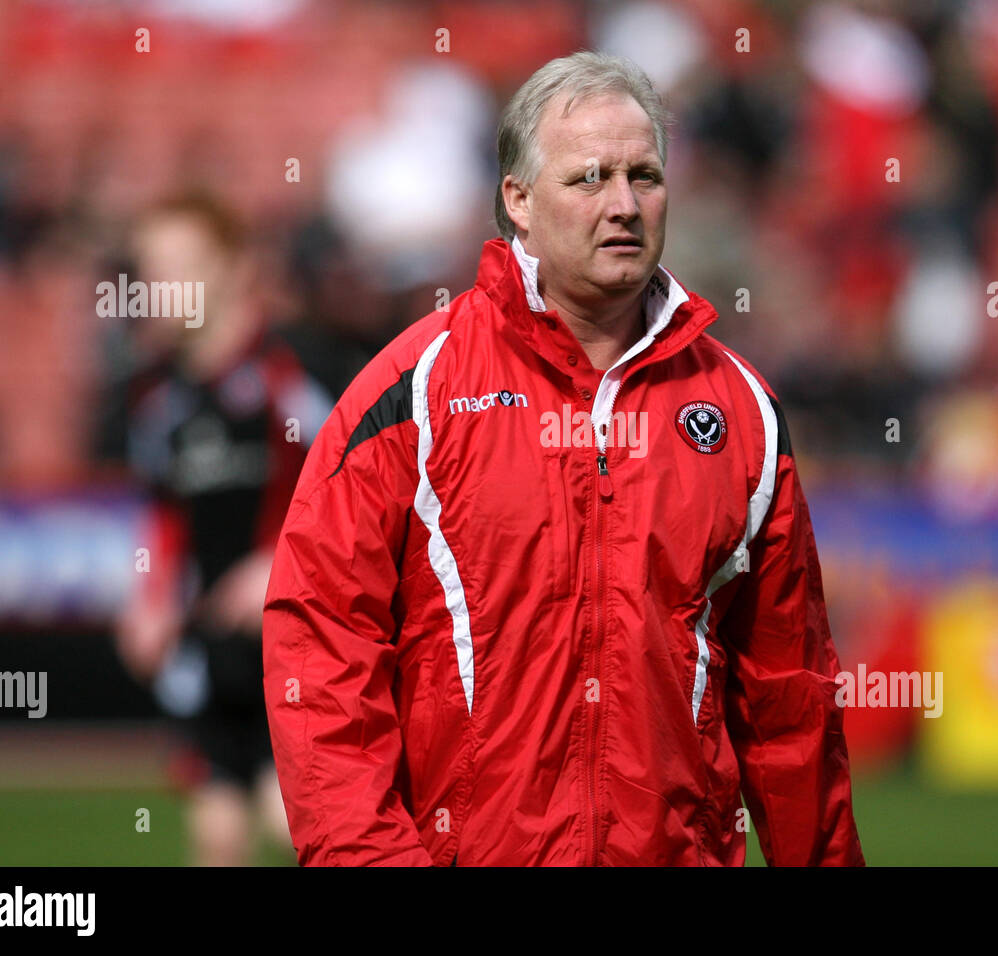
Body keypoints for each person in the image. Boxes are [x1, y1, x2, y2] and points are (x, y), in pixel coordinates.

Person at [262, 51, 865, 866]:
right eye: (589, 178)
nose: (622, 204)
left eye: (643, 176)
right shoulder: (412, 392)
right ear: (517, 199)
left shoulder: (741, 411)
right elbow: (322, 641)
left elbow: (789, 698)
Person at [112, 193, 333, 865]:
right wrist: (148, 599)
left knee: (292, 821)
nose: (157, 290)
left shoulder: (291, 372)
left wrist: (282, 560)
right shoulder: (157, 398)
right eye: (148, 272)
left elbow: (359, 484)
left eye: (178, 268)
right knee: (217, 834)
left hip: (302, 646)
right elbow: (165, 512)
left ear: (235, 270)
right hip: (214, 654)